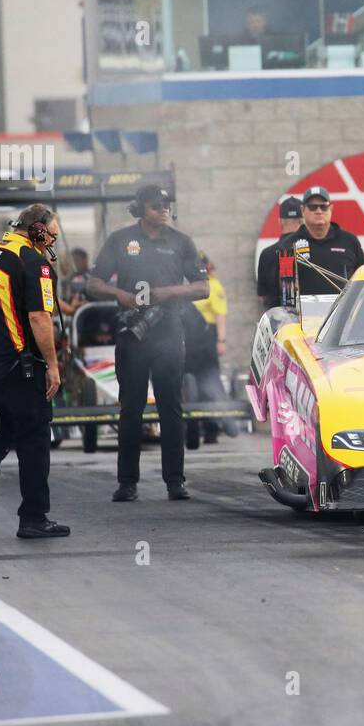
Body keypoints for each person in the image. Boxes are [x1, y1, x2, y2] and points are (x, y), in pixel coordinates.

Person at [89, 184, 208, 503]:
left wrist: (167, 293)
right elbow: (94, 283)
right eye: (156, 205)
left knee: (171, 407)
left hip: (169, 328)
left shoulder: (181, 241)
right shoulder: (120, 239)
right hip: (132, 331)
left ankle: (175, 481)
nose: (163, 209)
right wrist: (119, 295)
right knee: (131, 408)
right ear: (141, 208)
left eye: (167, 204)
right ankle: (127, 482)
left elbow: (202, 287)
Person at [0, 205, 69, 539]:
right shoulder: (33, 263)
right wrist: (51, 364)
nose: (52, 242)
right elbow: (39, 318)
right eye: (51, 235)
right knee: (35, 440)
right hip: (21, 370)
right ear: (37, 230)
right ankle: (34, 517)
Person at [276, 186, 364, 296]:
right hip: (306, 312)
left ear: (331, 209)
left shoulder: (350, 241)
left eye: (323, 207)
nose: (318, 211)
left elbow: (362, 282)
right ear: (303, 210)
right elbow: (286, 292)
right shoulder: (289, 245)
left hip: (343, 312)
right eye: (312, 207)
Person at [187, 252, 231, 444]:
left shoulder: (213, 286)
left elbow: (220, 315)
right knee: (187, 386)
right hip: (188, 340)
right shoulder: (186, 287)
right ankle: (191, 430)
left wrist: (221, 340)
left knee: (209, 383)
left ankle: (214, 428)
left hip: (207, 339)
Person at [257, 195, 303, 310]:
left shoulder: (266, 254)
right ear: (302, 221)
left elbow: (262, 296)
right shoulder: (310, 250)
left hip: (279, 323)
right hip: (310, 321)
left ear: (280, 222)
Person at [59, 248, 92, 317]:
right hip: (75, 316)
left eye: (77, 260)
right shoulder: (67, 280)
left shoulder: (94, 276)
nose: (75, 263)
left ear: (85, 260)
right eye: (73, 260)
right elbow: (64, 300)